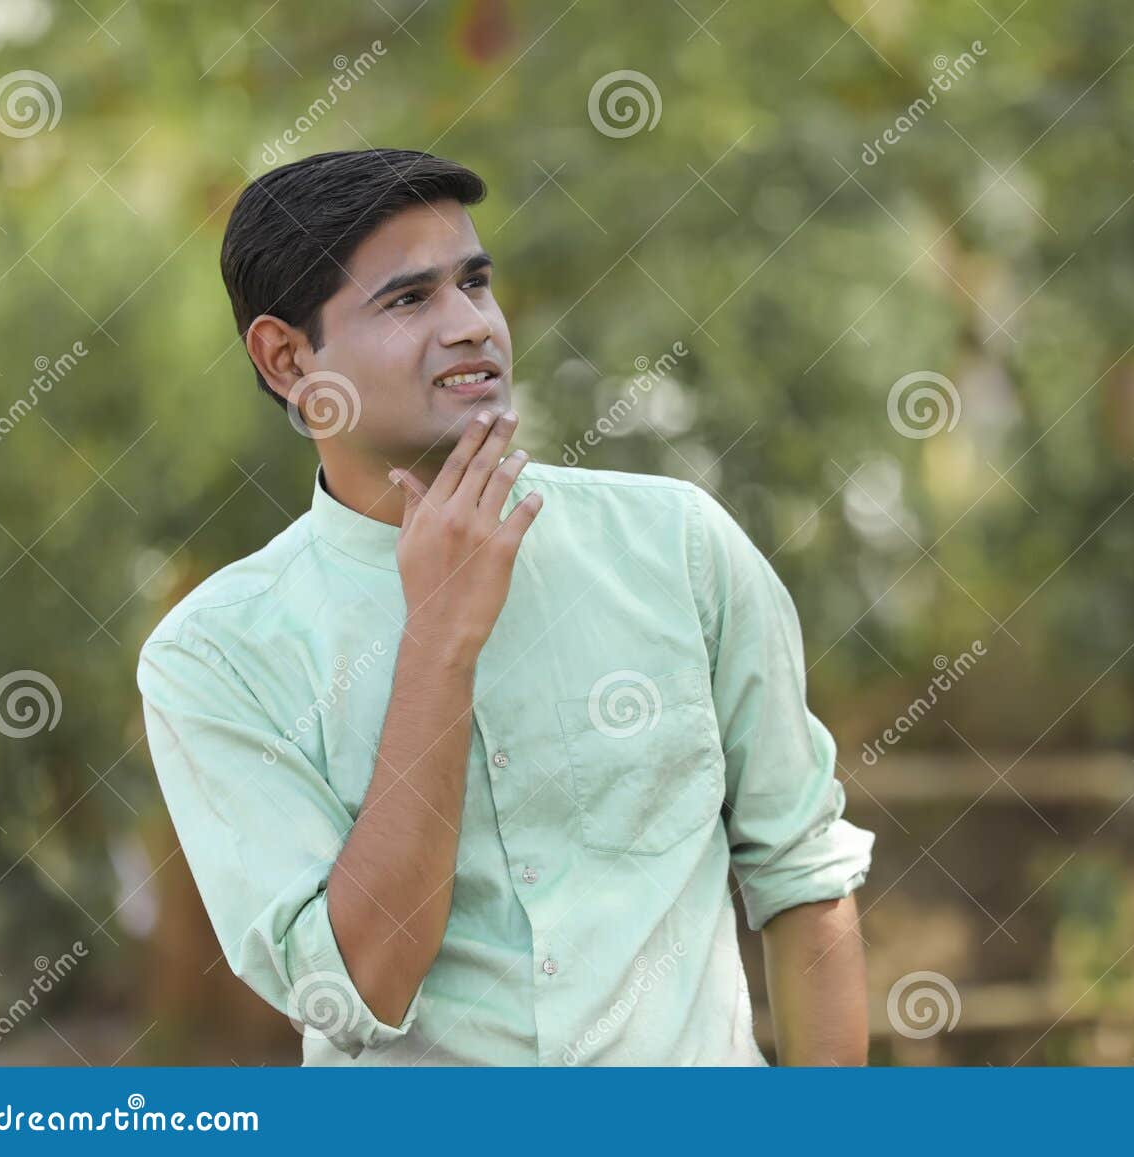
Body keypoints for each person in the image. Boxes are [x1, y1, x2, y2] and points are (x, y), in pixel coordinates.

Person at [136, 148, 875, 1065]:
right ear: (288, 358)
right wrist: (438, 641)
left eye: (475, 283)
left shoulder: (677, 544)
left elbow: (803, 873)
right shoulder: (215, 654)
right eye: (409, 300)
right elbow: (360, 986)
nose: (471, 326)